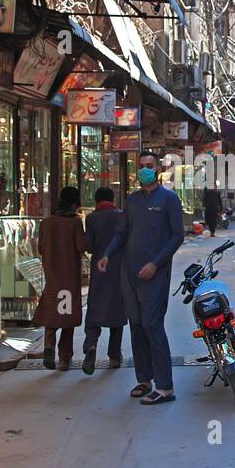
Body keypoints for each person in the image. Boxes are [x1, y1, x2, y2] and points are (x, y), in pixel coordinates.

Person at [100, 152, 184, 404]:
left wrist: (155, 263)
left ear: (158, 169)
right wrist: (107, 255)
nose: (145, 170)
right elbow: (121, 233)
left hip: (154, 274)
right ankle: (144, 379)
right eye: (141, 167)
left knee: (152, 325)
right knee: (136, 326)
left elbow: (177, 236)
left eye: (149, 166)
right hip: (130, 273)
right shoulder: (132, 200)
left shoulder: (169, 199)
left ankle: (165, 386)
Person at [33, 186, 86, 371]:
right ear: (74, 203)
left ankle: (48, 345)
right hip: (69, 275)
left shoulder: (46, 223)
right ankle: (64, 358)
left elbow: (40, 248)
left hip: (52, 274)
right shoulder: (75, 223)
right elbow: (81, 246)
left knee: (52, 312)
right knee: (67, 317)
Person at [82, 186, 126, 374]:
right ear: (113, 199)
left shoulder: (91, 219)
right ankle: (114, 356)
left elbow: (90, 247)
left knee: (95, 308)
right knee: (117, 310)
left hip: (99, 270)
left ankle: (91, 344)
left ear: (96, 200)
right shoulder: (122, 216)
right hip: (118, 270)